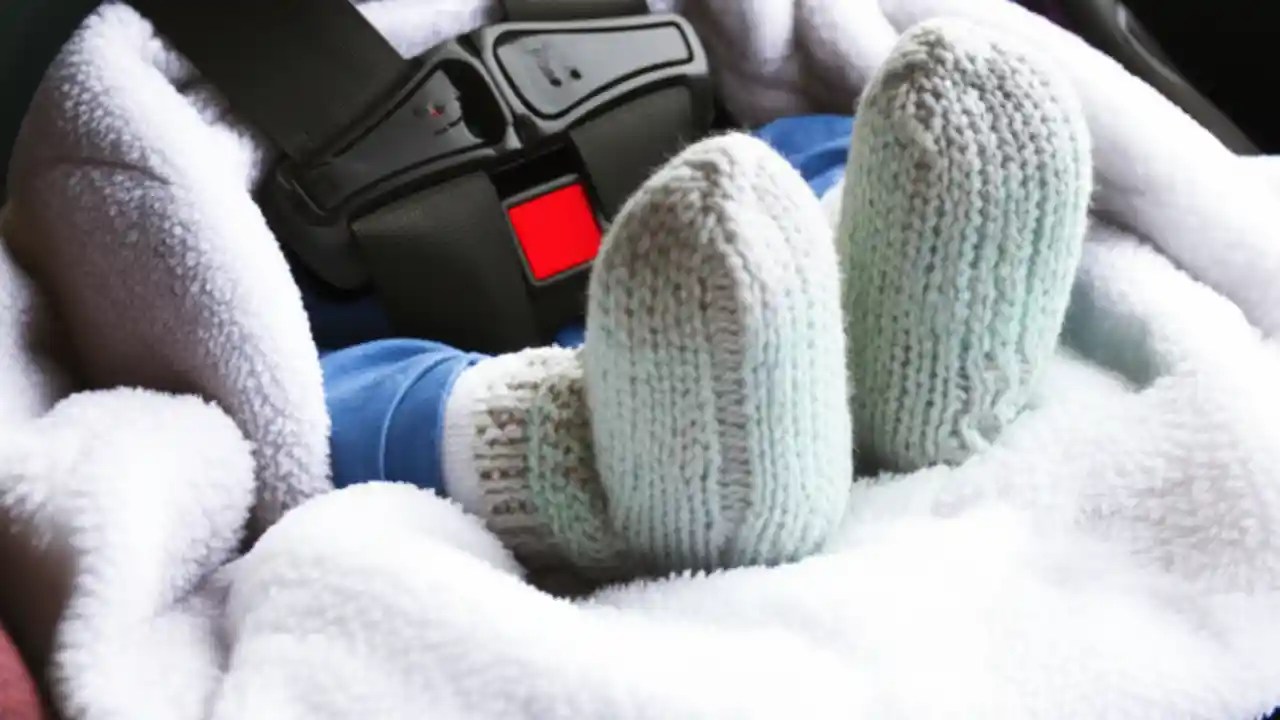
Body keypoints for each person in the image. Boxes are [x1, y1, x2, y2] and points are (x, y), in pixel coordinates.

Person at [309, 19, 1092, 579]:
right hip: (360, 297)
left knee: (796, 162)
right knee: (332, 405)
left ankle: (894, 352)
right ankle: (566, 457)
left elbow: (774, 49)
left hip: (678, 137)